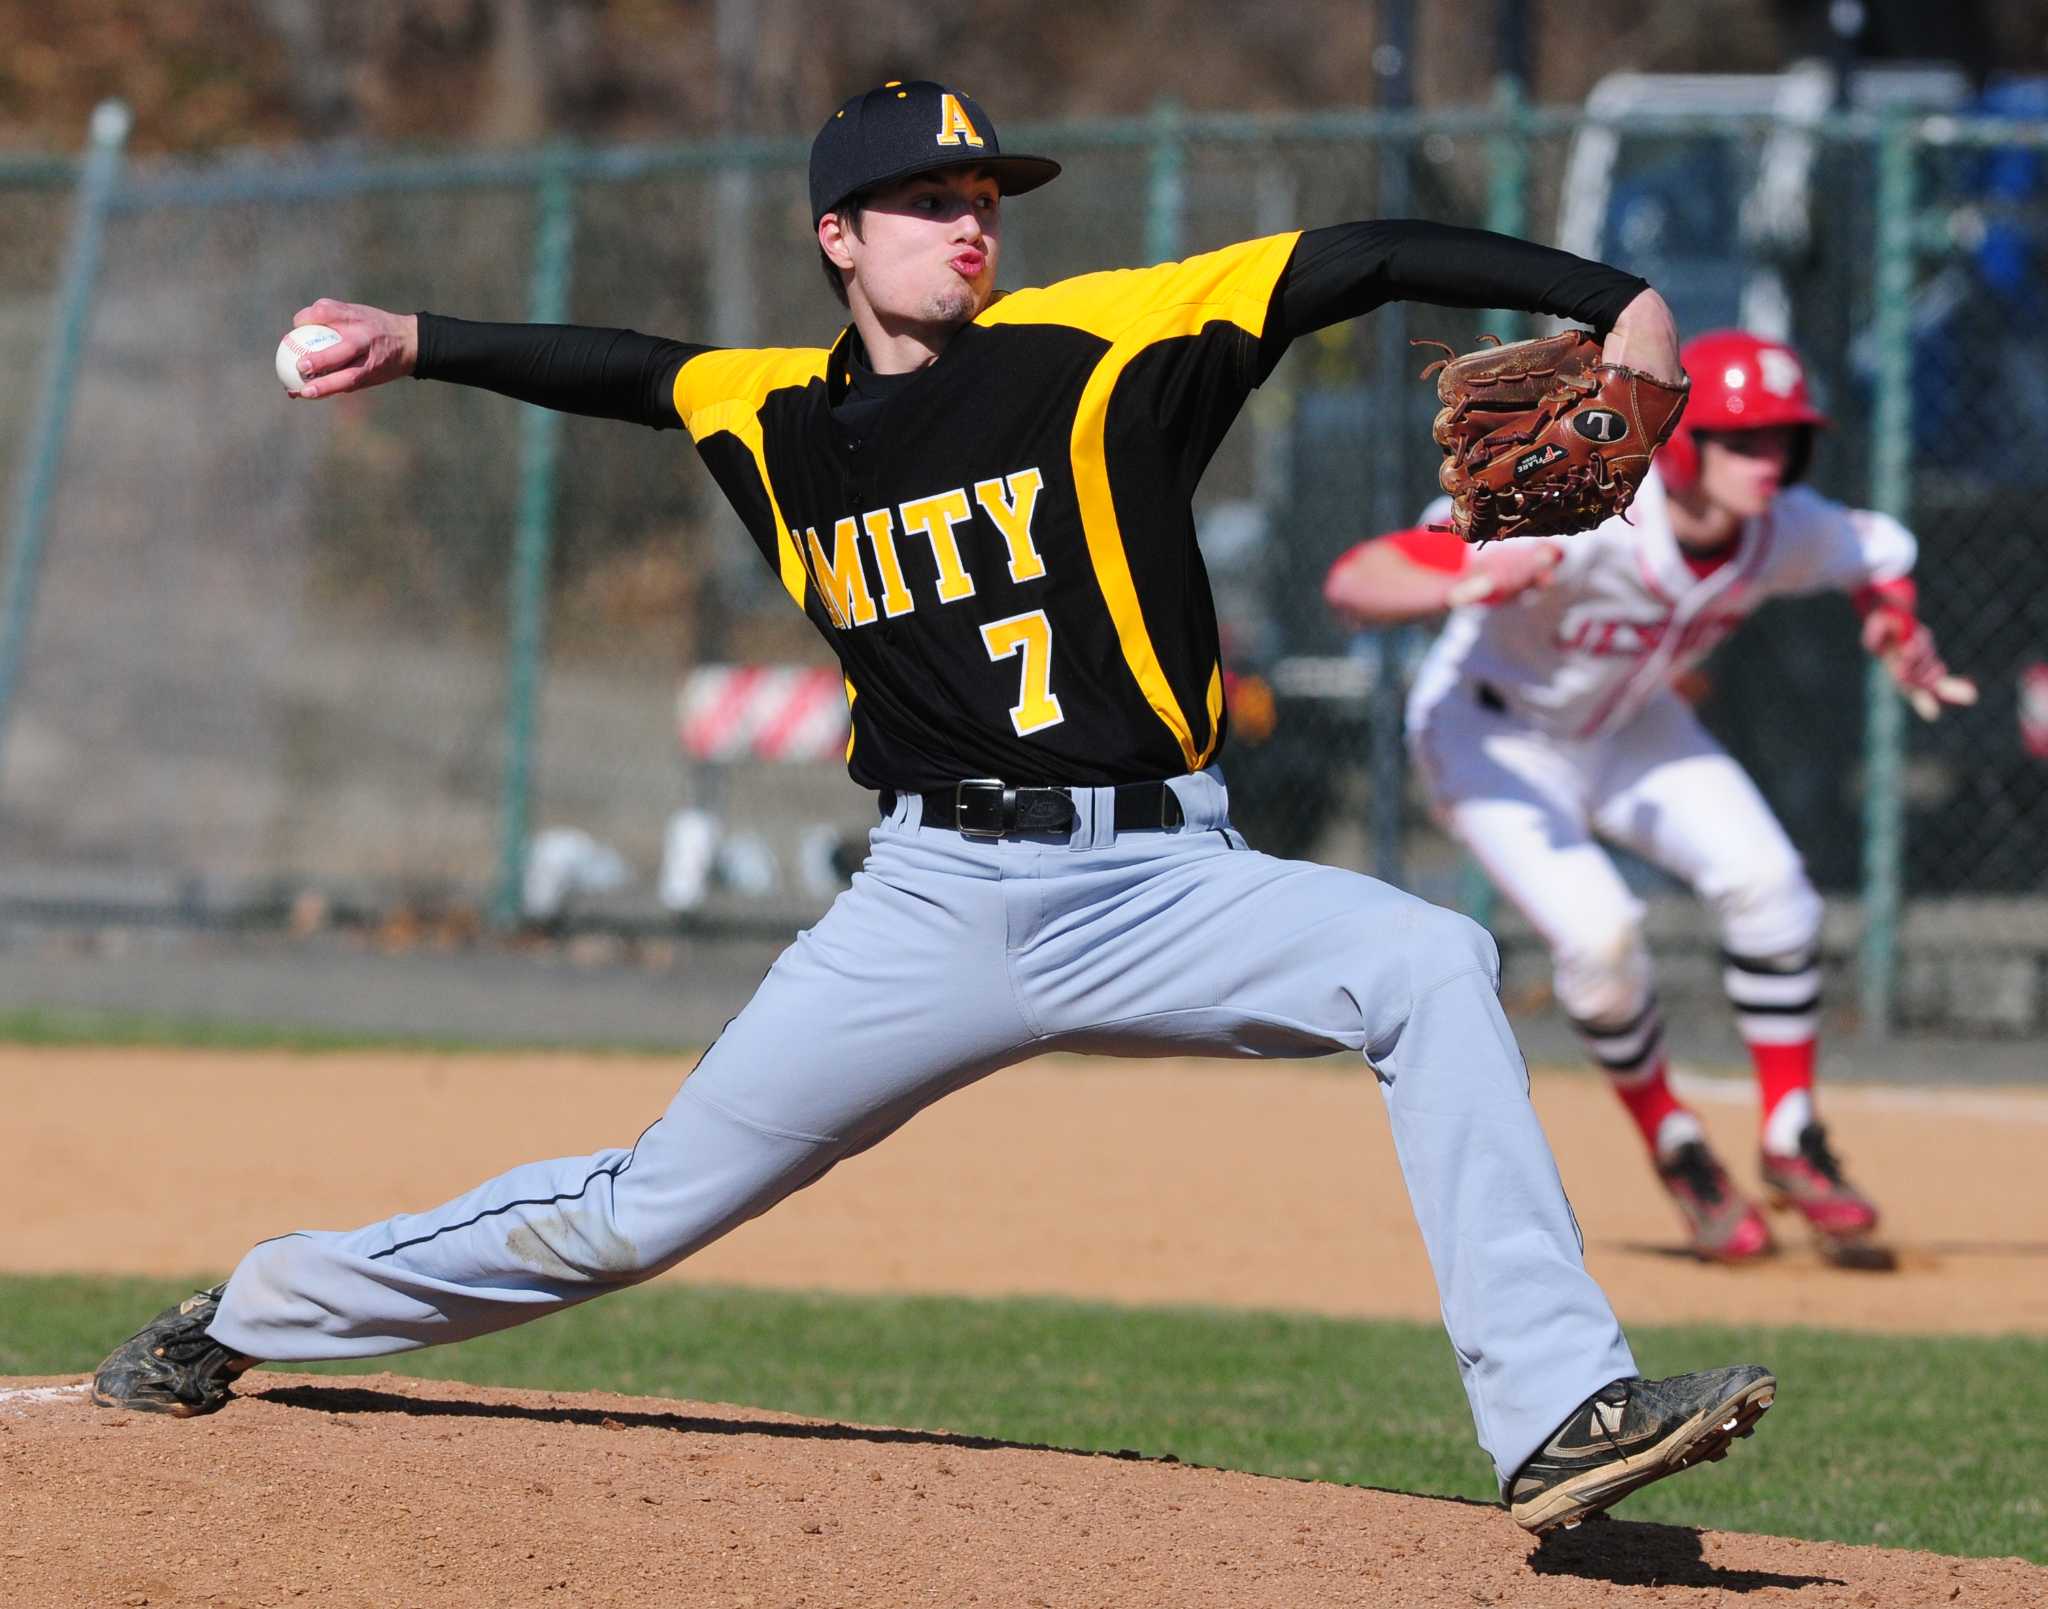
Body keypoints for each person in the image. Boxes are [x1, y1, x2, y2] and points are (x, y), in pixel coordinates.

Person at [92, 80, 1774, 1535]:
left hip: (1166, 877)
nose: (968, 224)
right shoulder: (774, 413)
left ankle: (1561, 1413)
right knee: (639, 1207)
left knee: (1426, 959)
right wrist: (420, 342)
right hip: (928, 898)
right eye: (926, 201)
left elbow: (1360, 255)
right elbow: (627, 367)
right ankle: (255, 1307)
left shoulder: (1109, 340)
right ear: (839, 235)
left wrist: (1610, 297)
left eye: (983, 199)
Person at [1324, 328, 1974, 1263]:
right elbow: (1356, 578)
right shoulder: (1577, 505)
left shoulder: (1783, 527)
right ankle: (1676, 1142)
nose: (1769, 462)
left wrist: (1895, 623)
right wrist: (1464, 581)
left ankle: (1793, 1136)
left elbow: (1878, 553)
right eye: (1744, 439)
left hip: (1627, 725)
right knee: (1603, 937)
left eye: (1784, 440)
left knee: (1774, 889)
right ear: (1684, 438)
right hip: (1488, 732)